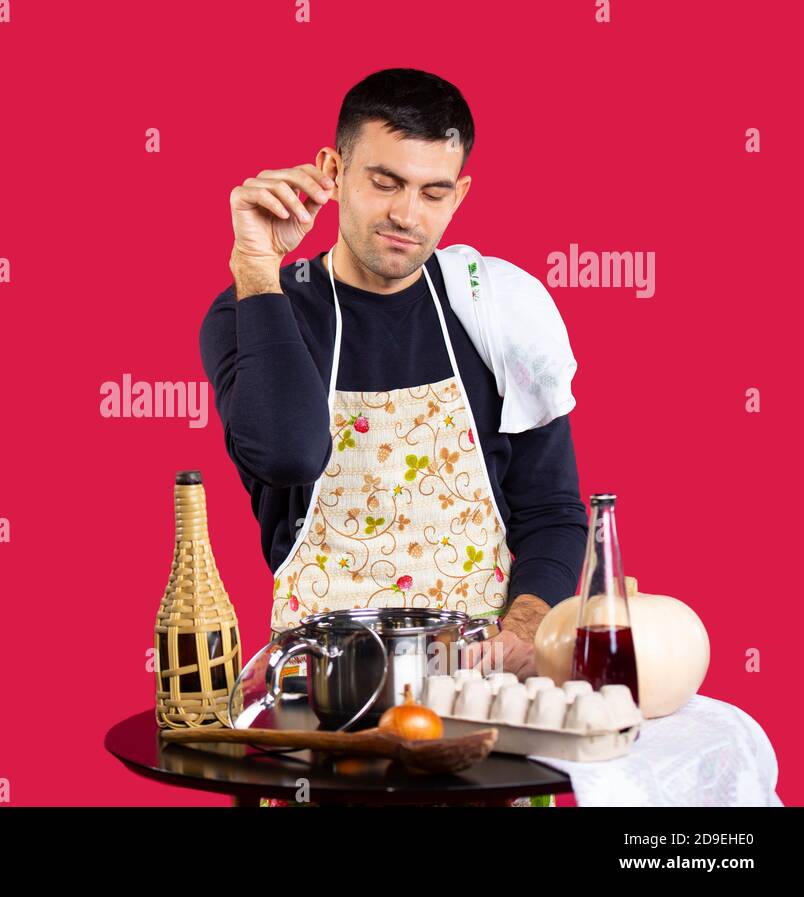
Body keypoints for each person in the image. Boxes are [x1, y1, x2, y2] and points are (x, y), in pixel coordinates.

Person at [199, 68, 589, 684]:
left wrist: (522, 632)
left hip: (477, 687)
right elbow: (286, 455)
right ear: (332, 169)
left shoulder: (500, 311)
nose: (407, 215)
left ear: (459, 195)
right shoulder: (259, 307)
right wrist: (256, 265)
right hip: (320, 689)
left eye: (433, 194)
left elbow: (552, 508)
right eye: (385, 183)